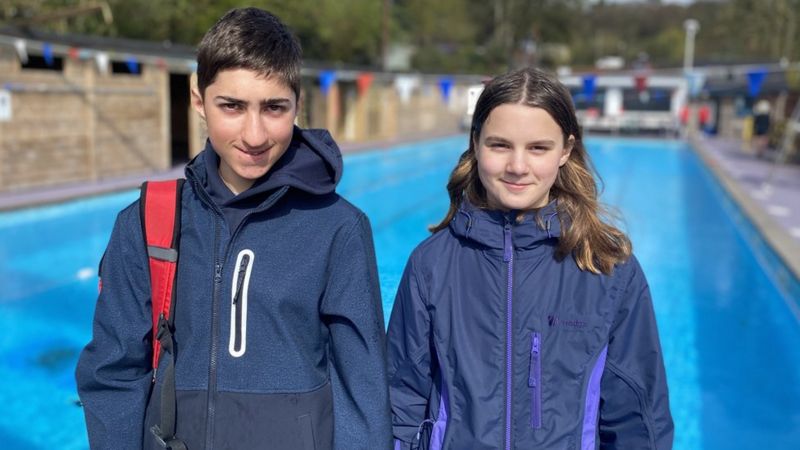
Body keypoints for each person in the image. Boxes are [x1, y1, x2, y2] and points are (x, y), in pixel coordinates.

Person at [76, 8, 391, 450]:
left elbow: (363, 389)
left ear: (297, 104)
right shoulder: (149, 221)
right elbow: (112, 373)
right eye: (233, 106)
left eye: (274, 108)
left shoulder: (338, 228)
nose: (255, 133)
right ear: (198, 100)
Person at [387, 67, 673, 449]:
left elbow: (638, 417)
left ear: (565, 151)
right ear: (475, 143)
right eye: (499, 145)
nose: (518, 167)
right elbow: (400, 400)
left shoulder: (607, 268)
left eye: (538, 148)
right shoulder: (432, 265)